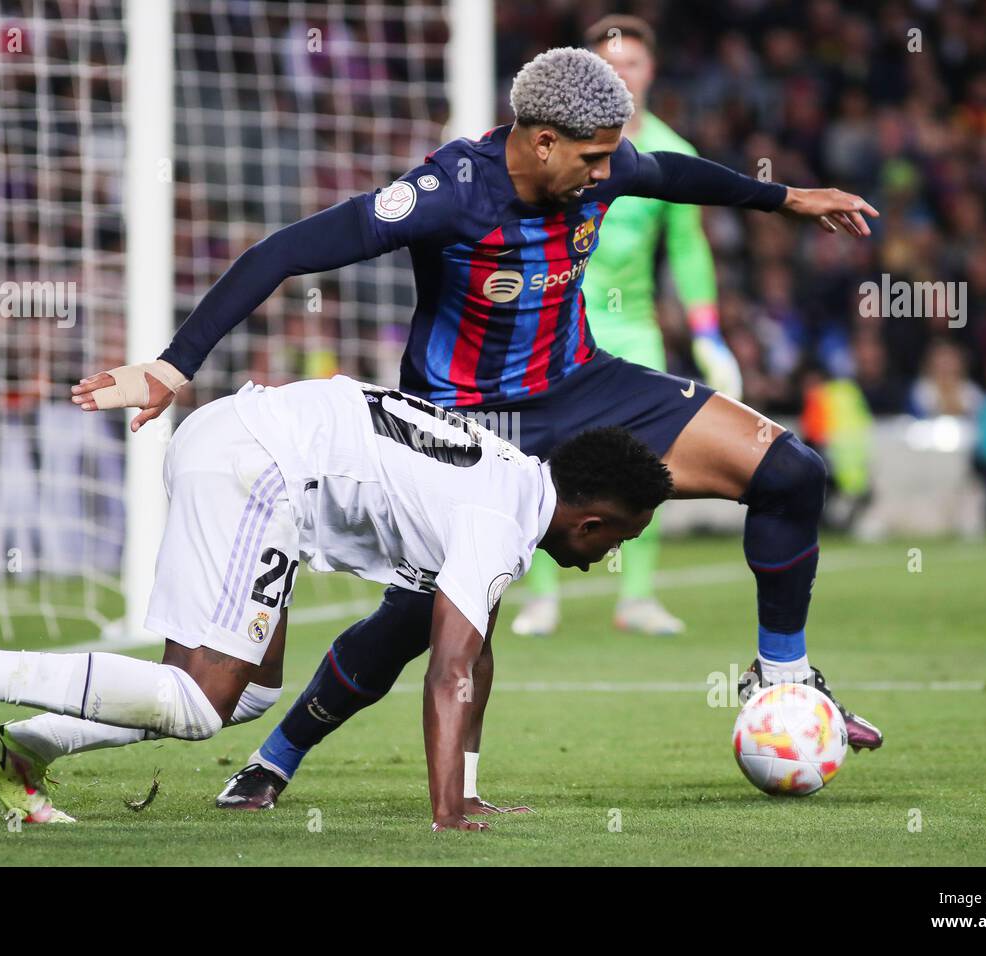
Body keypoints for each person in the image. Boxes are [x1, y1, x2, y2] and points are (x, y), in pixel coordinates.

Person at [72, 47, 884, 814]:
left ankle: (783, 680)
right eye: (595, 160)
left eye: (611, 158)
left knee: (790, 472)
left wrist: (787, 198)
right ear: (540, 141)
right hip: (463, 422)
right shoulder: (450, 191)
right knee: (428, 621)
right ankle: (278, 755)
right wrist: (176, 365)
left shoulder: (600, 164)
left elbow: (669, 173)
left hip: (579, 383)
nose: (611, 174)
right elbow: (284, 251)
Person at [0, 374, 673, 830]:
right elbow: (450, 672)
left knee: (242, 698)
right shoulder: (502, 520)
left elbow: (475, 655)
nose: (613, 554)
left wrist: (468, 787)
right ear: (592, 520)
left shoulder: (510, 482)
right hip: (259, 469)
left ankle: (23, 750)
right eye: (621, 539)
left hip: (251, 455)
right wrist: (449, 813)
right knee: (199, 701)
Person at [513, 16, 741, 638]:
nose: (623, 73)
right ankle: (541, 595)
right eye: (609, 63)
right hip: (556, 323)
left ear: (651, 71)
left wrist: (707, 332)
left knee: (652, 461)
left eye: (633, 63)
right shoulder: (555, 145)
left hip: (632, 325)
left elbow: (689, 252)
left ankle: (636, 595)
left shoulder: (672, 154)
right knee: (540, 457)